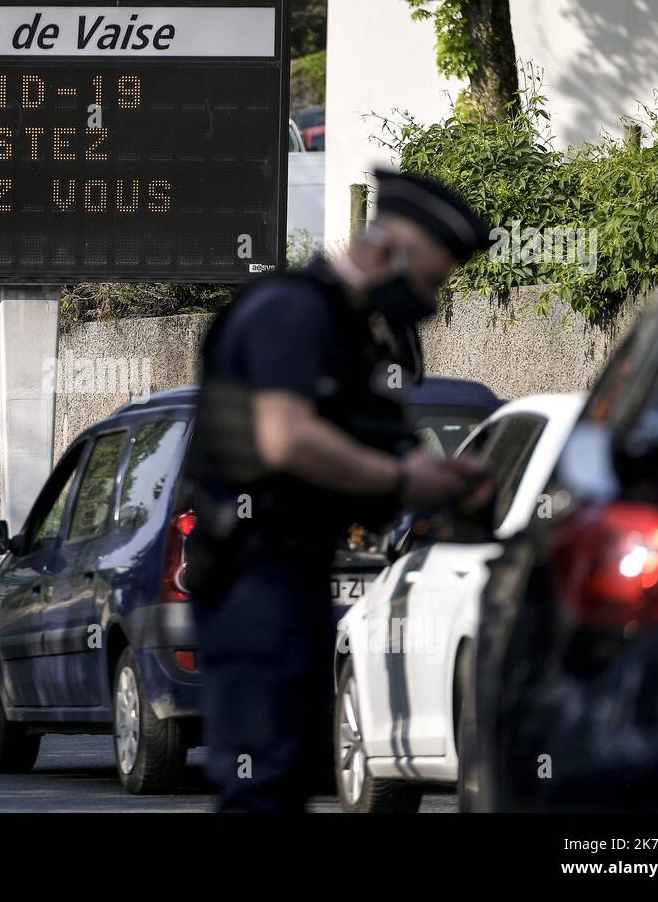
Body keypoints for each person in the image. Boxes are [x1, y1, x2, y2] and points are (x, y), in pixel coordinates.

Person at [182, 168, 496, 812]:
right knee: (262, 784)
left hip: (293, 573)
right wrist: (409, 479)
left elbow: (370, 434)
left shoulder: (353, 332)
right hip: (251, 577)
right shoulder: (290, 313)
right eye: (430, 281)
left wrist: (440, 474)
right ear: (388, 252)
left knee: (287, 777)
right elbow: (285, 438)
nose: (431, 301)